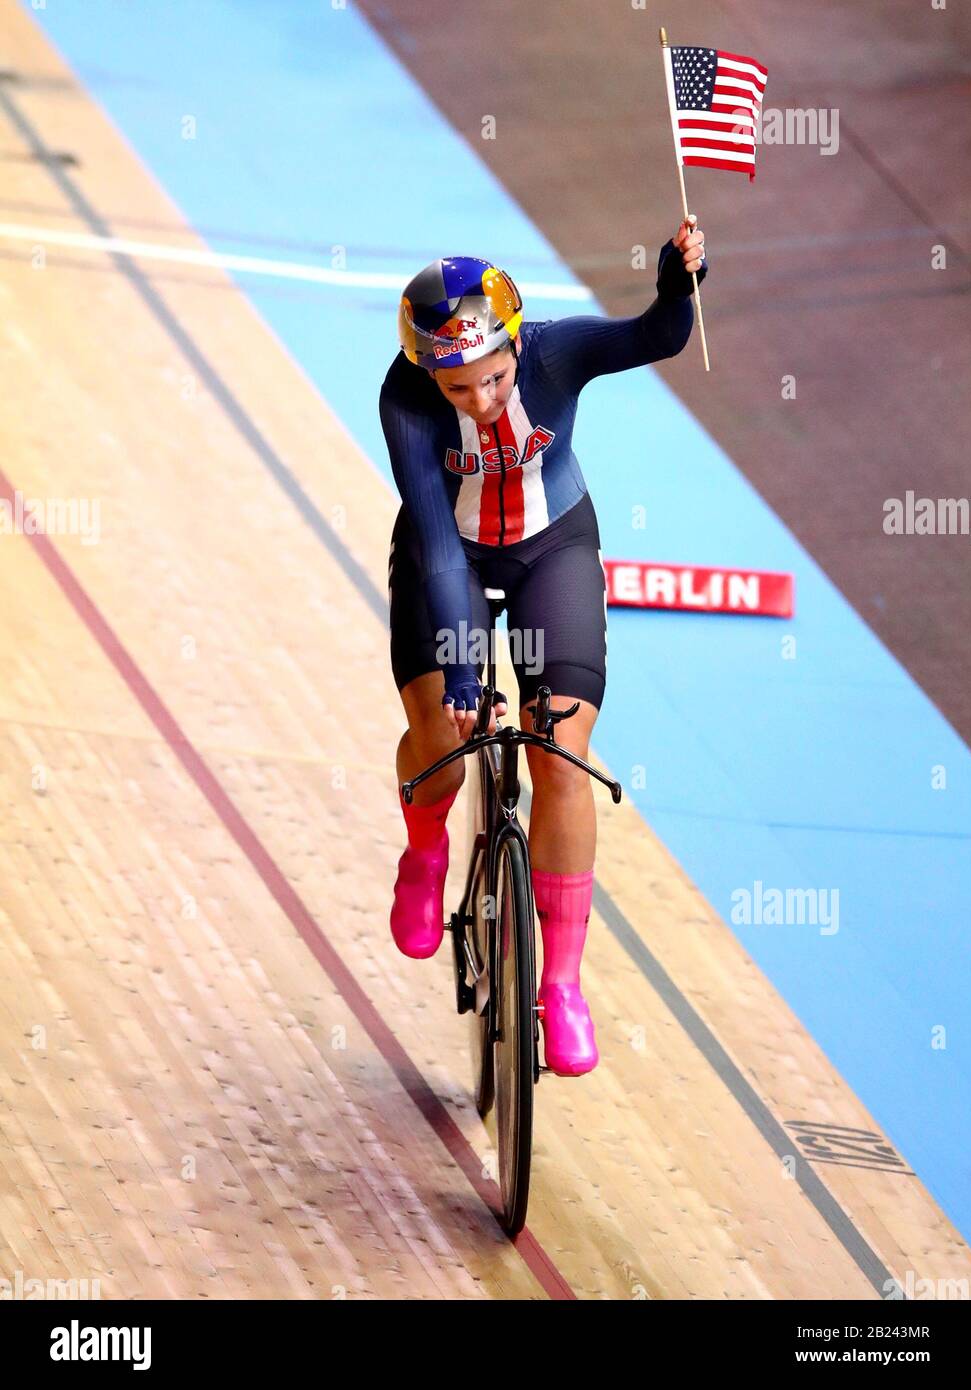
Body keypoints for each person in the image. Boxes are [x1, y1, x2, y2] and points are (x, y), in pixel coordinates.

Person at [380, 215, 707, 1076]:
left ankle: (559, 983)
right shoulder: (406, 399)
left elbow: (658, 336)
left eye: (493, 378)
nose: (482, 400)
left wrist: (676, 284)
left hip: (550, 546)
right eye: (460, 390)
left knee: (561, 754)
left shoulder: (558, 355)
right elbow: (440, 548)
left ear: (516, 347)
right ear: (427, 376)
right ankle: (426, 848)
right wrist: (461, 668)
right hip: (442, 553)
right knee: (447, 742)